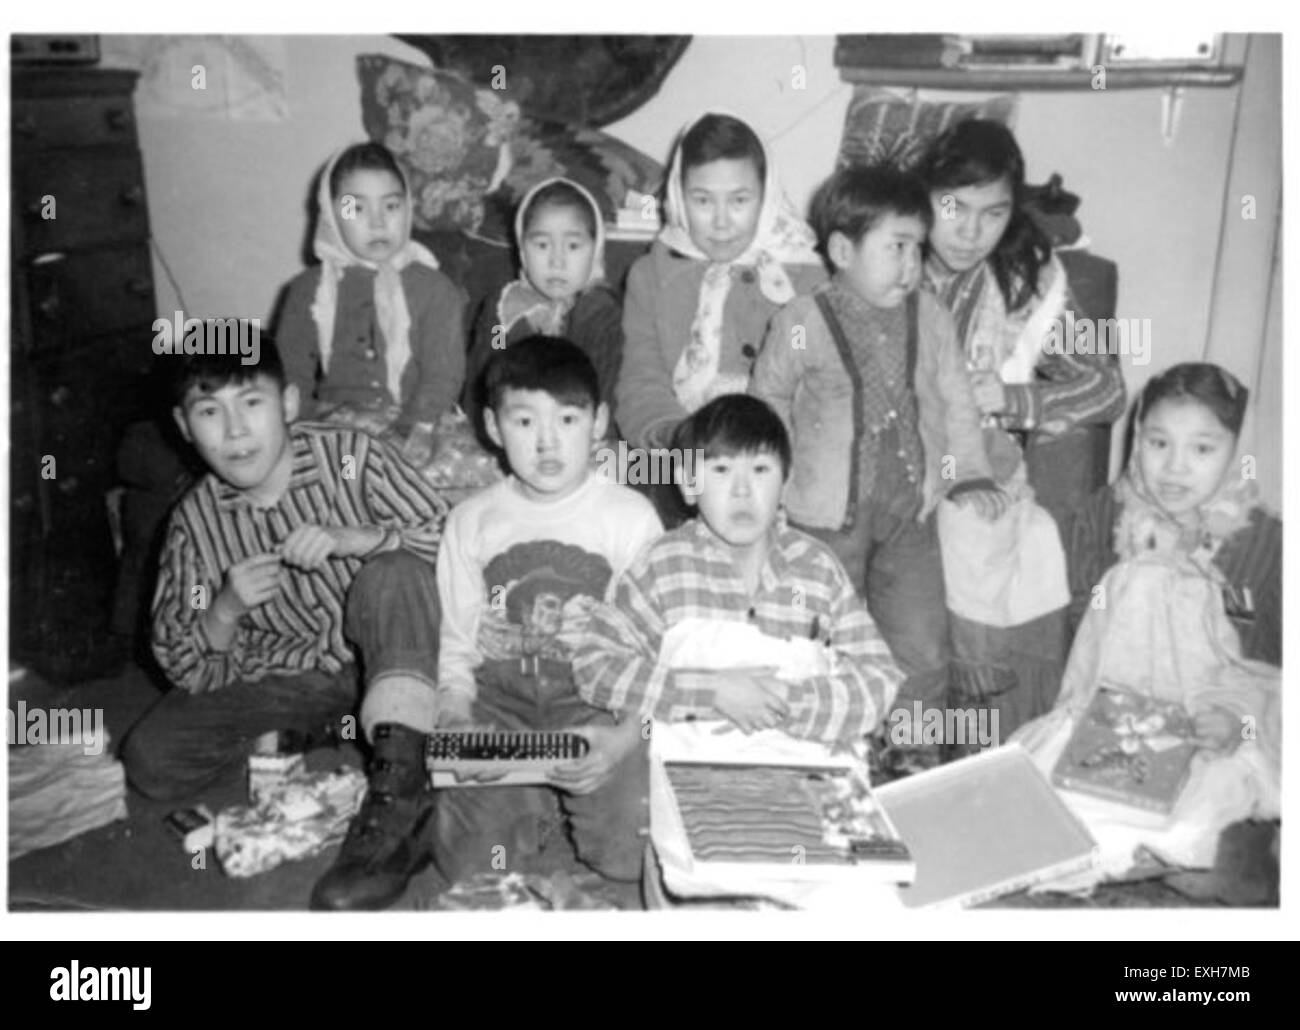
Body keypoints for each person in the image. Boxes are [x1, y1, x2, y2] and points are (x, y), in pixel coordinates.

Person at [119, 336, 450, 911]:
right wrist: (223, 608)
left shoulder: (353, 456)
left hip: (394, 658)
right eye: (208, 412)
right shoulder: (194, 524)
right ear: (183, 426)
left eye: (251, 403)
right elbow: (182, 662)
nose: (235, 430)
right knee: (150, 759)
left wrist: (366, 539)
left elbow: (456, 542)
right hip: (296, 680)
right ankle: (335, 734)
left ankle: (398, 796)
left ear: (289, 404)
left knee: (393, 570)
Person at [750, 164, 1003, 757]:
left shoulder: (932, 318)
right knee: (816, 643)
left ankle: (911, 756)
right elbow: (767, 401)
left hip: (910, 516)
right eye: (897, 248)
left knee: (920, 646)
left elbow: (958, 398)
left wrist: (968, 472)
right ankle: (820, 754)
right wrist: (768, 491)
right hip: (821, 520)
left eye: (918, 248)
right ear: (842, 249)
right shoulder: (800, 322)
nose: (913, 264)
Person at [1015, 363, 1280, 871]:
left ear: (1236, 450)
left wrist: (1236, 725)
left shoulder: (1266, 543)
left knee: (1202, 811)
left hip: (1213, 730)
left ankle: (1211, 849)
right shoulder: (1105, 516)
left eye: (1203, 449)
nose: (1176, 467)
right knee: (1041, 796)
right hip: (1113, 721)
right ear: (1137, 438)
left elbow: (1274, 676)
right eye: (1159, 443)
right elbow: (1082, 628)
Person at [430, 336, 663, 889]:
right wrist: (459, 722)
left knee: (629, 860)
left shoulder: (630, 518)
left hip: (598, 711)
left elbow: (661, 652)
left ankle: (565, 801)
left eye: (567, 418)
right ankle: (531, 797)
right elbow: (459, 642)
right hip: (501, 713)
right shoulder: (470, 520)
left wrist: (627, 737)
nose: (548, 442)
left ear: (599, 421)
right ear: (492, 426)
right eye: (525, 422)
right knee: (470, 867)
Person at [573, 394, 903, 746]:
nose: (742, 491)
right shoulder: (661, 567)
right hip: (689, 781)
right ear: (687, 483)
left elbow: (879, 679)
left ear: (786, 483)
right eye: (721, 470)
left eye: (761, 470)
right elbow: (595, 666)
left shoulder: (817, 568)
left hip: (805, 775)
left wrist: (784, 701)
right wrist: (712, 691)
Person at [617, 113, 823, 524]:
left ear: (765, 197)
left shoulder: (808, 278)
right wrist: (678, 439)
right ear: (678, 196)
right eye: (703, 200)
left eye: (740, 200)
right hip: (683, 451)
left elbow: (822, 384)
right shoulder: (651, 276)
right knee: (621, 472)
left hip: (783, 450)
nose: (722, 221)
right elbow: (642, 378)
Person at [920, 119, 1125, 499]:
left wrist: (1011, 398)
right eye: (954, 208)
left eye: (993, 214)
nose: (970, 232)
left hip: (978, 476)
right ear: (924, 197)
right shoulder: (886, 255)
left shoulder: (1028, 282)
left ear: (1012, 212)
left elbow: (1108, 387)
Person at [276, 142, 467, 464]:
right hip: (330, 426)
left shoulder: (435, 289)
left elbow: (442, 375)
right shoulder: (307, 291)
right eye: (357, 208)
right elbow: (291, 374)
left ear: (408, 208)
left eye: (391, 206)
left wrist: (411, 428)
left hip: (417, 422)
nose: (378, 223)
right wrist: (304, 429)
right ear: (331, 214)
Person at [464, 178, 623, 439]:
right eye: (541, 245)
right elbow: (484, 374)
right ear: (523, 252)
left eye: (573, 246)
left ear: (595, 251)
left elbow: (608, 392)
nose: (556, 261)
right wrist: (487, 436)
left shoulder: (600, 314)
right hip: (515, 435)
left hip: (583, 440)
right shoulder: (503, 314)